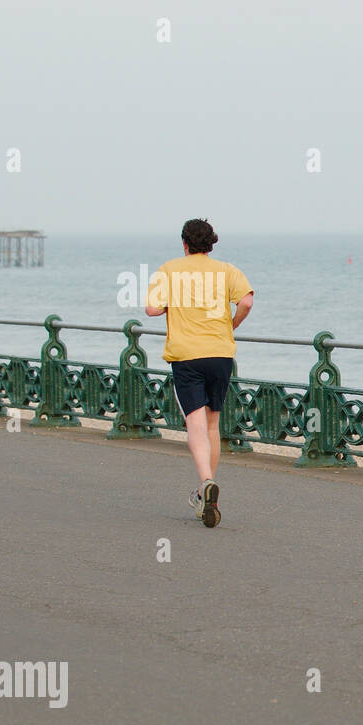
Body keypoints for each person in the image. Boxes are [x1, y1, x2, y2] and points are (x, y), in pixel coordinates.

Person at [144, 218, 253, 528]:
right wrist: (232, 324)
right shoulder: (227, 271)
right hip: (220, 353)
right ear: (212, 243)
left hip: (187, 355)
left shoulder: (169, 270)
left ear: (184, 243)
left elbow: (151, 309)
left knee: (194, 421)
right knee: (212, 424)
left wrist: (173, 305)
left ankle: (206, 481)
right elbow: (246, 301)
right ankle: (207, 487)